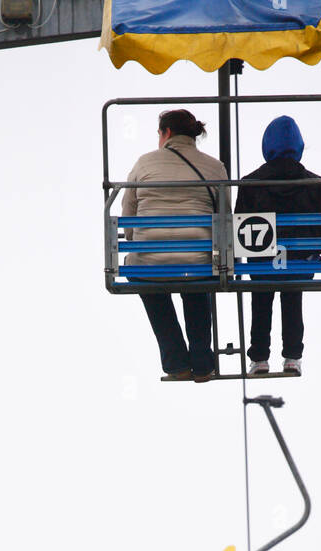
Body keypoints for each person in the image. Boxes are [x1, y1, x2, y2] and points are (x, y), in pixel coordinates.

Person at [122, 109, 228, 382]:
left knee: (150, 284)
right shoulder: (215, 167)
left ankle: (176, 363)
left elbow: (128, 214)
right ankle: (203, 363)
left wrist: (137, 244)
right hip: (198, 263)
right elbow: (226, 216)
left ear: (166, 133)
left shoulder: (143, 164)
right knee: (197, 285)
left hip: (149, 262)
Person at [235, 115, 321, 378]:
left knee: (261, 298)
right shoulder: (316, 184)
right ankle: (292, 357)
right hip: (298, 264)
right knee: (293, 296)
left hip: (263, 262)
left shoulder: (249, 183)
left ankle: (259, 358)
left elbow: (239, 230)